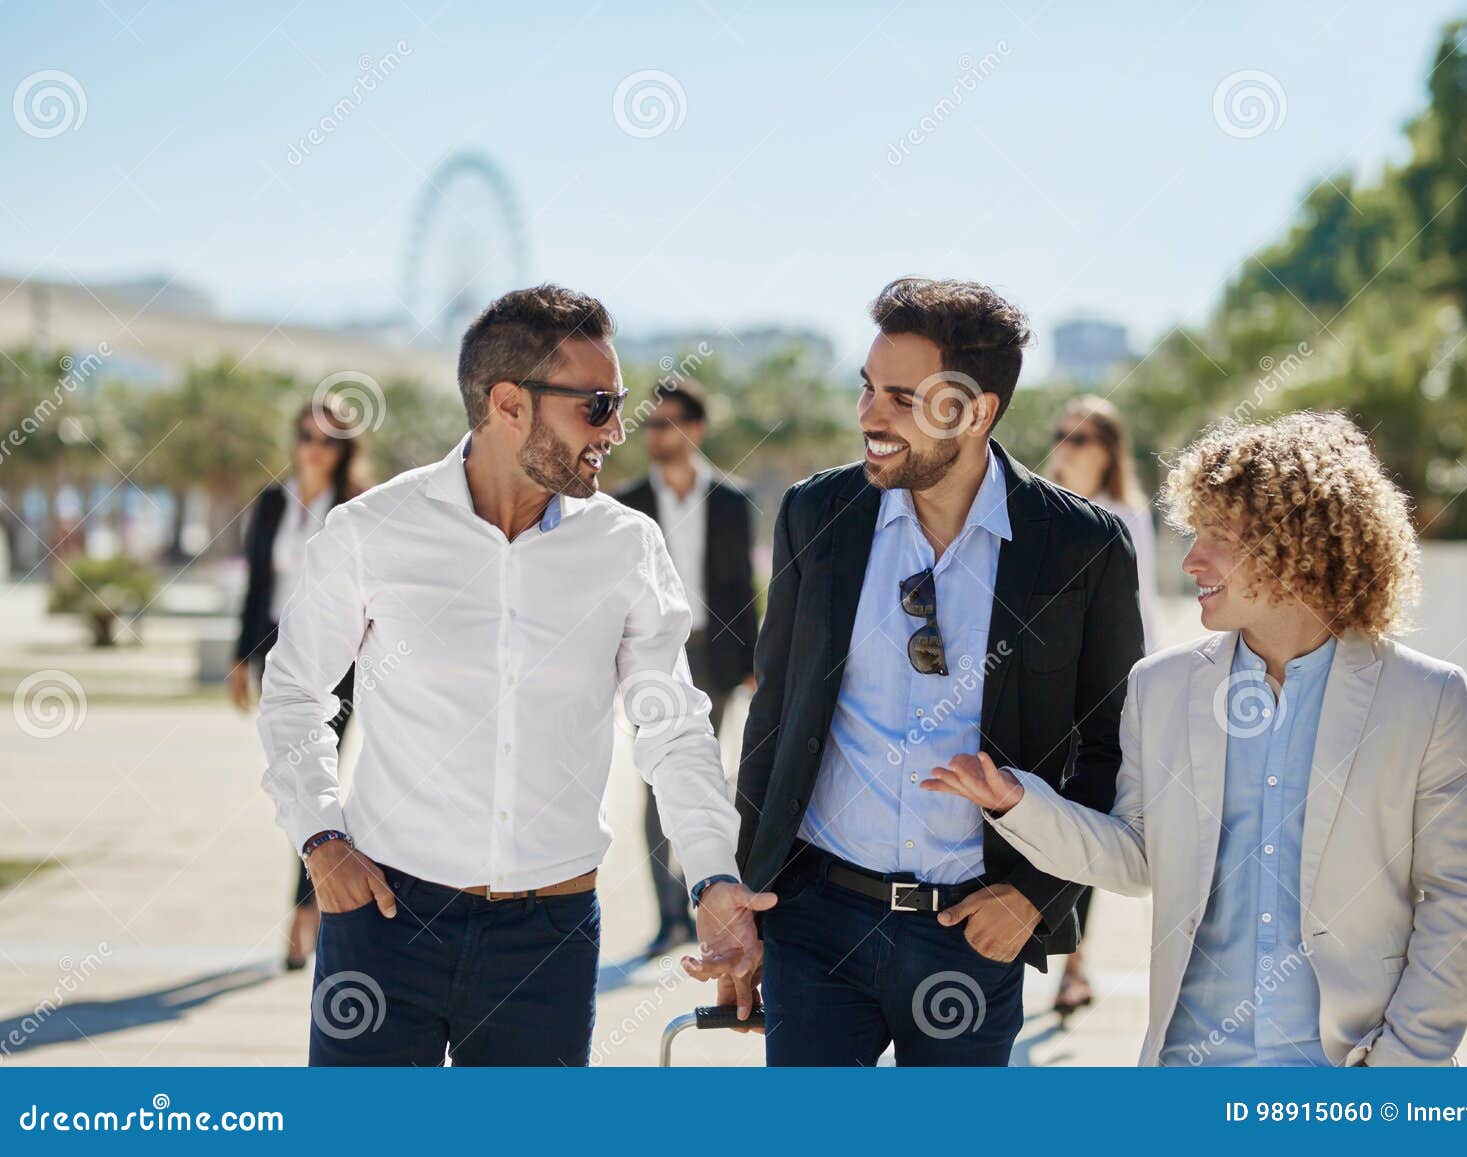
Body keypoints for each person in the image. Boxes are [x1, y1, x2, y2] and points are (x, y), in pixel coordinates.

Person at [257, 284, 773, 1066]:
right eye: (597, 404)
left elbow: (671, 726)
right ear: (507, 403)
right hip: (383, 924)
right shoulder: (373, 530)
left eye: (620, 402)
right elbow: (295, 692)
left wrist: (711, 877)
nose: (617, 429)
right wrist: (321, 839)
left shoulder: (625, 545)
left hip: (548, 941)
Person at [924, 412, 1467, 1066]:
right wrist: (1018, 802)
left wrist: (1405, 1064)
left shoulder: (1428, 697)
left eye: (1218, 536)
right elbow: (1137, 856)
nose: (1191, 559)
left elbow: (1459, 897)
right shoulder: (1160, 688)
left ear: (1298, 544)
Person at [733, 277, 1145, 1066]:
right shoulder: (816, 516)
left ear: (977, 410)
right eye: (866, 389)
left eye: (901, 396)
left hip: (972, 931)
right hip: (814, 924)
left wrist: (1036, 899)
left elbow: (1110, 749)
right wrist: (750, 908)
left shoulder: (1080, 547)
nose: (869, 415)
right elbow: (775, 718)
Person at [614, 376, 758, 955]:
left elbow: (742, 587)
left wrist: (752, 662)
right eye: (648, 423)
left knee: (709, 775)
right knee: (654, 780)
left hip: (713, 654)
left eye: (666, 423)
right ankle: (669, 916)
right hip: (649, 661)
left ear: (694, 429)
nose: (654, 434)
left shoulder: (730, 499)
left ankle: (708, 889)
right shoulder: (625, 505)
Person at [231, 400, 365, 971]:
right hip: (276, 659)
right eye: (307, 436)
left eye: (328, 440)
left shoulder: (356, 508)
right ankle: (308, 906)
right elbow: (257, 584)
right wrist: (241, 658)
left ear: (344, 450)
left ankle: (304, 913)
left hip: (339, 665)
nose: (315, 448)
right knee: (292, 775)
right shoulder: (270, 503)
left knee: (316, 778)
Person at [1046, 393, 1160, 1019]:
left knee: (1085, 823)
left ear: (1110, 450)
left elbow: (1140, 622)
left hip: (1103, 699)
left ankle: (1074, 963)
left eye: (1083, 437)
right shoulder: (1035, 512)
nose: (1068, 446)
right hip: (1041, 694)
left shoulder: (1128, 519)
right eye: (1062, 434)